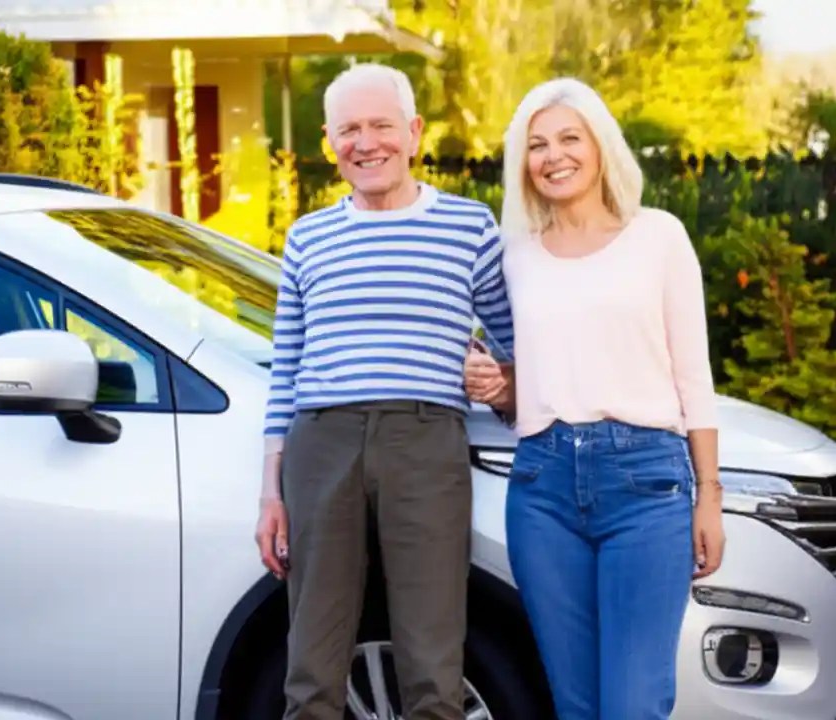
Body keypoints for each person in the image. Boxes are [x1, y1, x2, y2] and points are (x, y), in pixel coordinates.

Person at [253, 63, 515, 720]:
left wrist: (502, 385)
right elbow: (286, 368)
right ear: (328, 141)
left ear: (414, 132)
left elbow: (518, 343)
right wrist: (270, 493)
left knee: (431, 659)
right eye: (348, 130)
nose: (364, 143)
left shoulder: (469, 227)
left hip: (425, 440)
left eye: (379, 126)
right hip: (322, 441)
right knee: (312, 663)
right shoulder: (308, 237)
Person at [462, 77, 726, 720]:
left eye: (569, 138)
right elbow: (540, 375)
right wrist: (501, 386)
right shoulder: (514, 256)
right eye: (537, 144)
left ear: (601, 145)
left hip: (646, 487)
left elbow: (694, 376)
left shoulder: (657, 237)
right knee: (576, 706)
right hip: (542, 490)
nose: (554, 155)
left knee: (634, 703)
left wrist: (709, 495)